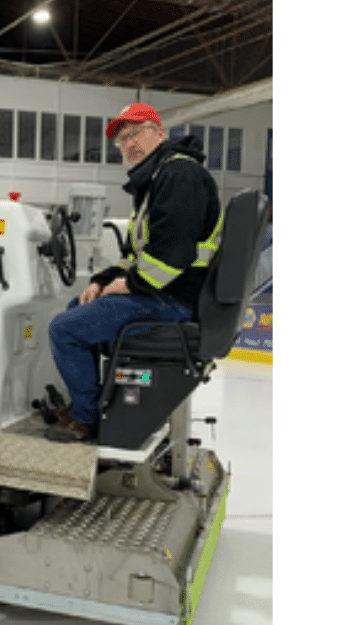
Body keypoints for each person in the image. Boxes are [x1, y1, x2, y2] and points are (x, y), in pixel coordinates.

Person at [46, 103, 222, 443]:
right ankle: (99, 405)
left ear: (160, 133)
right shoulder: (155, 181)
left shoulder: (178, 175)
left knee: (64, 329)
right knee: (75, 309)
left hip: (172, 298)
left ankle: (87, 417)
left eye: (138, 132)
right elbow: (136, 256)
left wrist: (128, 284)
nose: (130, 144)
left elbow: (173, 255)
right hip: (162, 292)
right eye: (123, 139)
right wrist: (103, 280)